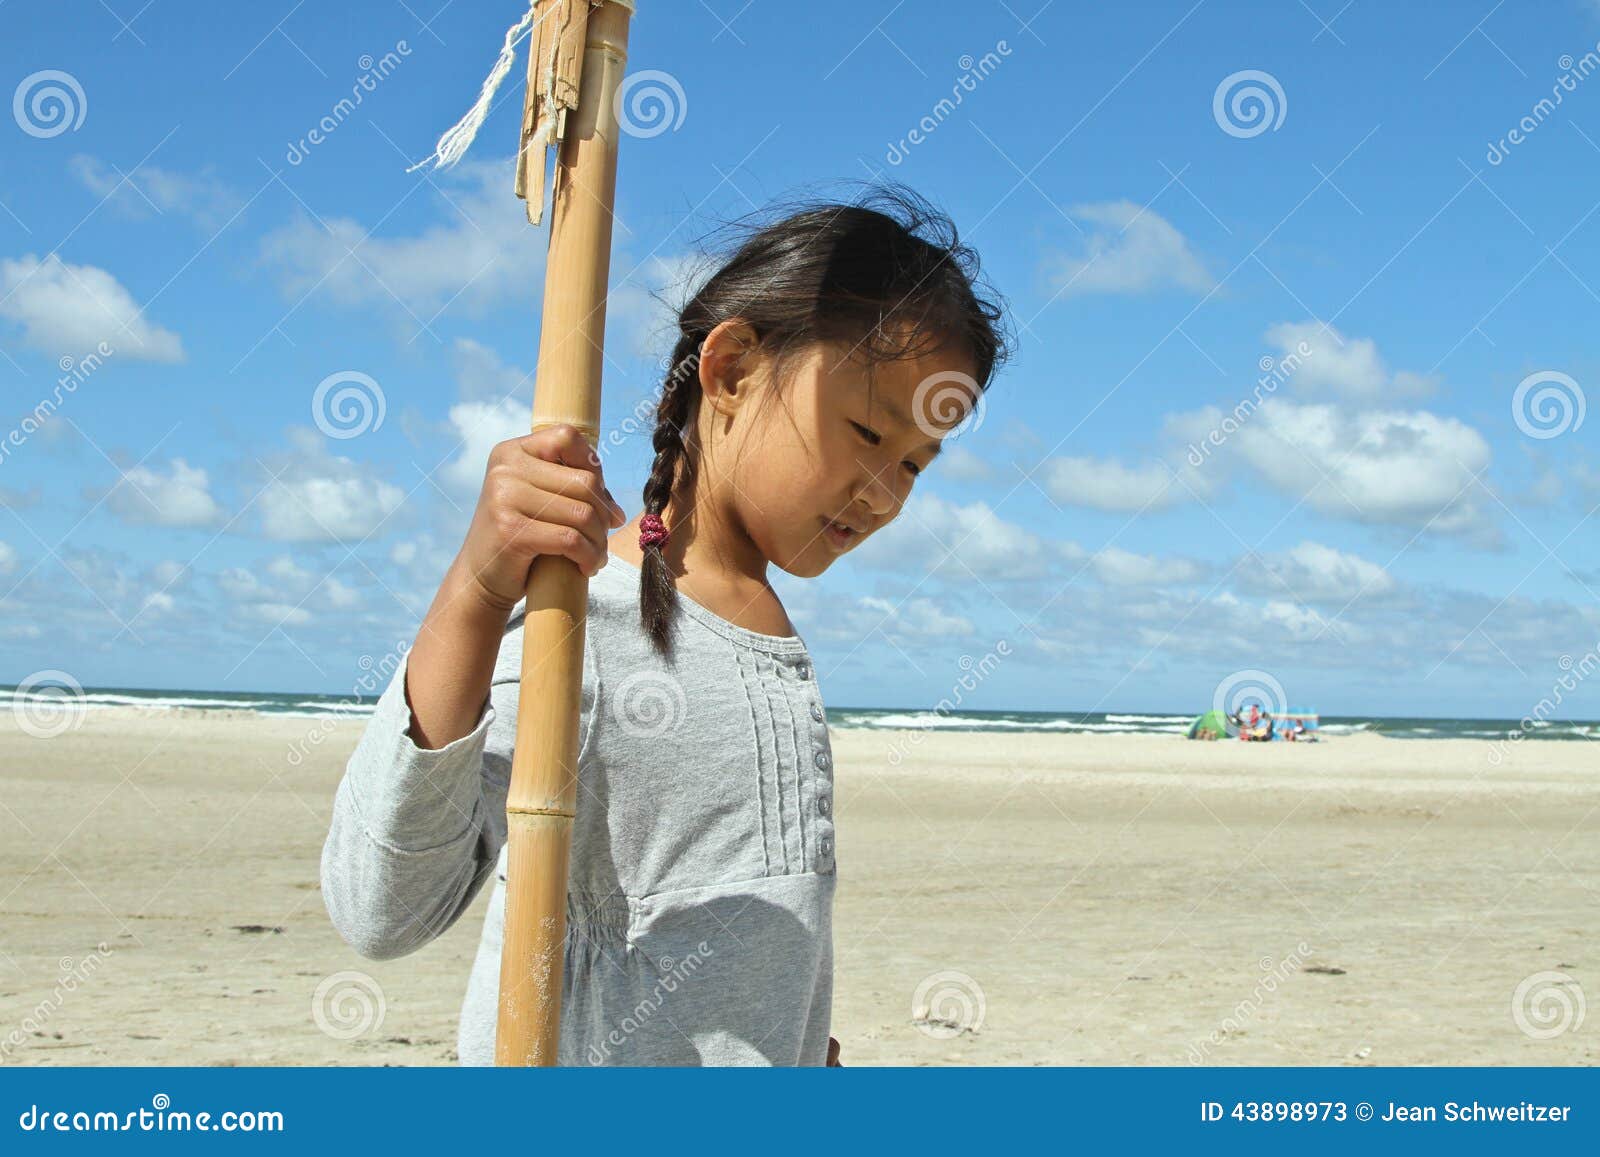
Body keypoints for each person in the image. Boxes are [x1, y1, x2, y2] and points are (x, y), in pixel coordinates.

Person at [319, 184, 1011, 1067]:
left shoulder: (766, 630)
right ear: (731, 371)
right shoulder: (584, 617)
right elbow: (383, 906)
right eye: (867, 433)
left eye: (914, 464)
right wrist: (478, 588)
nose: (883, 494)